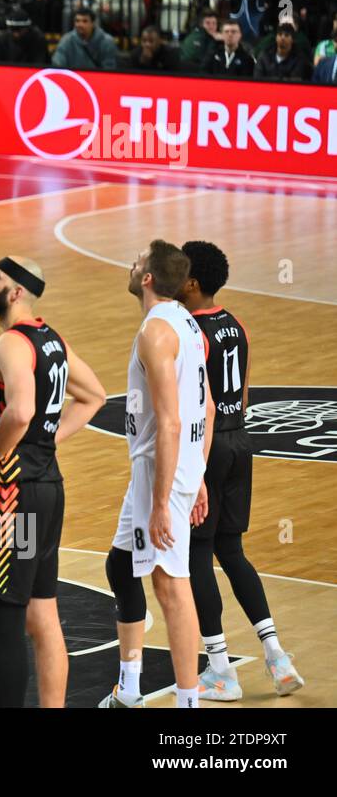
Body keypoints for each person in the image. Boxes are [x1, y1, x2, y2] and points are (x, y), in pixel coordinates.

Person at [0, 257, 106, 707]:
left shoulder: (11, 342)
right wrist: (48, 439)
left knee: (4, 618)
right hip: (49, 485)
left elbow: (22, 411)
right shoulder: (52, 339)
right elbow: (94, 396)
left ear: (16, 293)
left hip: (12, 493)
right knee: (42, 613)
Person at [176, 240, 304, 700]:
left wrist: (190, 465)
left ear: (191, 283)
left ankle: (219, 669)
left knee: (196, 555)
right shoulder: (237, 324)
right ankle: (276, 655)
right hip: (239, 441)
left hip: (207, 446)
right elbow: (243, 395)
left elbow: (198, 405)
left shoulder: (190, 331)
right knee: (232, 550)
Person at [99, 240, 212, 709]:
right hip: (173, 466)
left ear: (147, 277)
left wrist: (164, 501)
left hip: (159, 472)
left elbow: (169, 420)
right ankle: (129, 689)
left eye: (138, 259)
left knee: (169, 584)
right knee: (121, 567)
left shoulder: (156, 332)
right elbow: (202, 406)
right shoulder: (187, 323)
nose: (131, 262)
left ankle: (189, 703)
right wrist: (197, 473)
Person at [51, 8, 120, 69]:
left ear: (93, 23)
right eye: (77, 21)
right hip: (72, 79)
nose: (80, 24)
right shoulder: (66, 40)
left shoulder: (107, 42)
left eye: (85, 21)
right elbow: (57, 65)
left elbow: (109, 70)